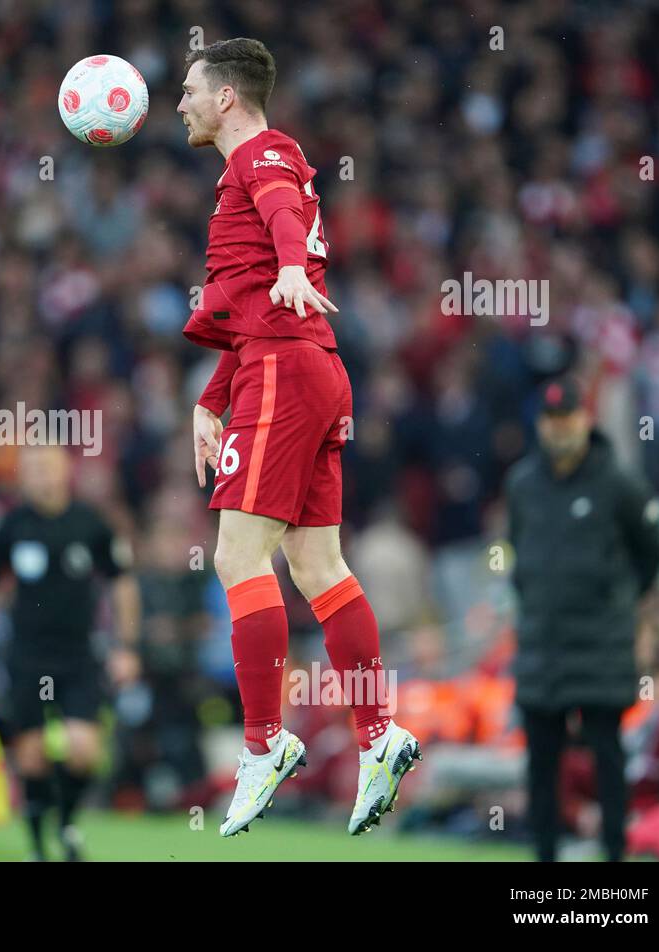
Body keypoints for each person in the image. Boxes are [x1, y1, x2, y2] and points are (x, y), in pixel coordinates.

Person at [179, 38, 421, 838]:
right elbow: (252, 306)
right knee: (318, 565)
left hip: (284, 373)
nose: (177, 103)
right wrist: (214, 397)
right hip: (301, 368)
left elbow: (283, 220)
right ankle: (378, 737)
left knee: (236, 557)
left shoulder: (264, 154)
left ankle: (262, 742)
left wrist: (289, 262)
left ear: (226, 99)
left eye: (188, 91)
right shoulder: (244, 169)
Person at [505, 377, 659, 861]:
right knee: (540, 764)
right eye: (551, 420)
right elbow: (517, 550)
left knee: (608, 760)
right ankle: (545, 857)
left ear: (585, 418)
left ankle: (615, 855)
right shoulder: (522, 483)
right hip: (541, 646)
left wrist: (616, 600)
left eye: (568, 418)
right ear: (541, 424)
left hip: (601, 646)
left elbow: (650, 555)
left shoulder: (619, 482)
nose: (559, 429)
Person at [0, 444, 141, 860]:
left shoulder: (92, 524)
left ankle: (65, 823)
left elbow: (123, 582)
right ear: (22, 477)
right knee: (31, 757)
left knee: (84, 749)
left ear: (67, 470)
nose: (41, 475)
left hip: (79, 655)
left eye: (48, 466)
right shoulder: (10, 527)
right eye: (32, 469)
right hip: (26, 657)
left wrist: (127, 646)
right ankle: (37, 845)